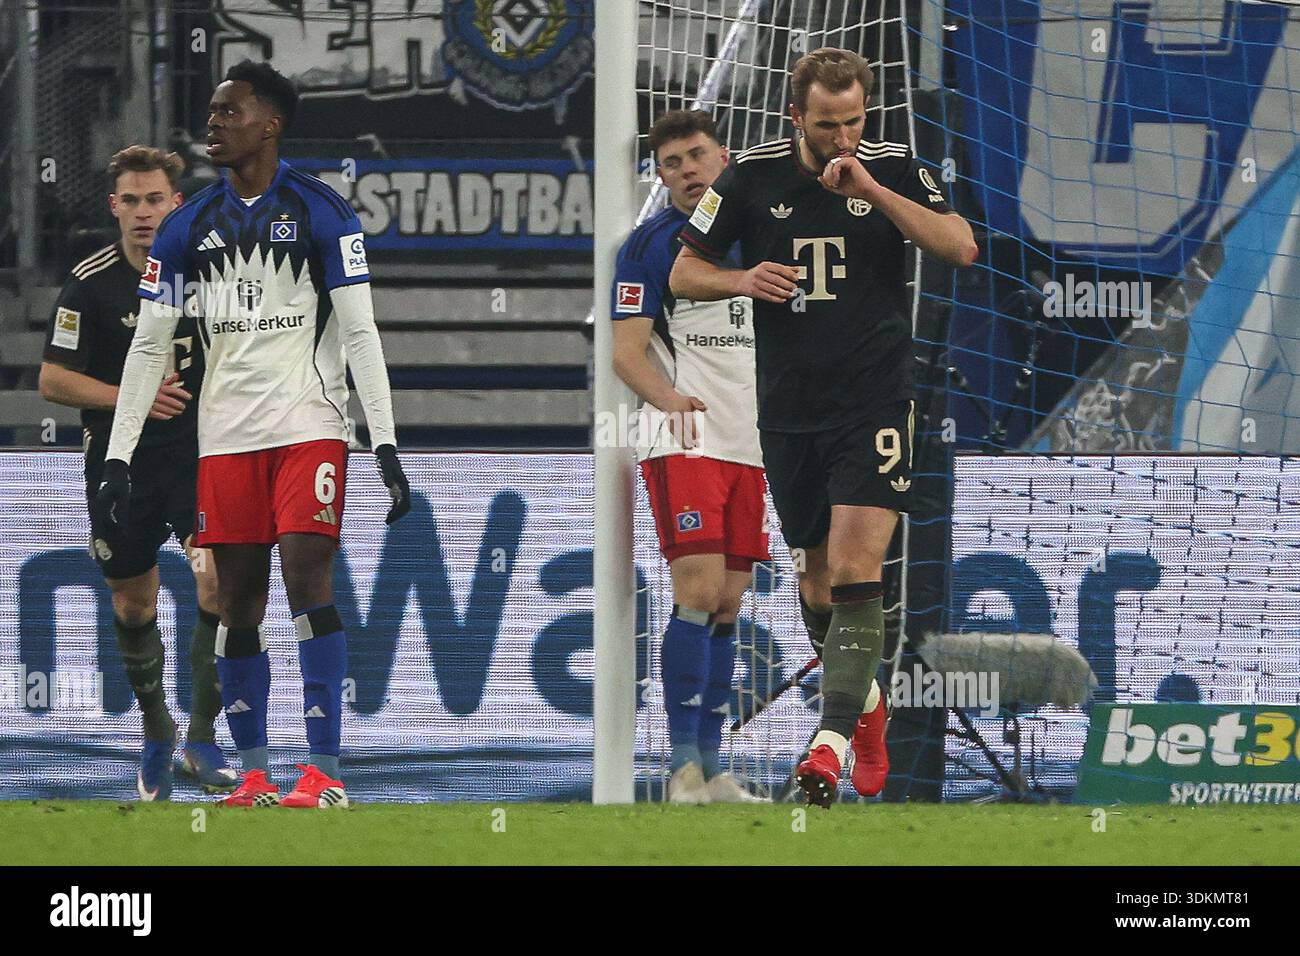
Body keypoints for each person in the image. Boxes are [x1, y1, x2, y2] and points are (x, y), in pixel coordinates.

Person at [95, 60, 410, 809]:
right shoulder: (185, 227)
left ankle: (326, 772)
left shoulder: (322, 212)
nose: (213, 123)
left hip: (310, 426)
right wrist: (116, 453)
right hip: (226, 438)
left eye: (229, 111)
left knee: (308, 580)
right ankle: (259, 776)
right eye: (211, 112)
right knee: (238, 606)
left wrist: (387, 442)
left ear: (269, 123)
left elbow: (361, 334)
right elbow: (148, 345)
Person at [671, 47, 978, 807]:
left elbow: (960, 247)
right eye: (827, 125)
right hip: (787, 408)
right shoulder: (749, 177)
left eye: (855, 122)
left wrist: (871, 187)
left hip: (875, 398)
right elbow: (682, 272)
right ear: (794, 117)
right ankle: (865, 709)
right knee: (814, 576)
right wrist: (740, 278)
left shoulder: (893, 167)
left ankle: (829, 747)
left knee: (854, 565)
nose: (843, 137)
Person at [40, 144, 233, 800]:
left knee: (216, 584)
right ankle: (157, 730)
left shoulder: (208, 272)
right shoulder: (91, 283)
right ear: (113, 206)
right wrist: (136, 395)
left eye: (156, 199)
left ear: (176, 204)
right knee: (134, 602)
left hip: (197, 455)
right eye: (132, 200)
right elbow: (52, 379)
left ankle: (202, 743)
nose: (144, 212)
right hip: (118, 462)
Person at [612, 110, 769, 804]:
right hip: (687, 442)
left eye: (695, 156)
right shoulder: (649, 246)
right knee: (698, 593)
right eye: (671, 163)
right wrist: (669, 402)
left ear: (723, 156)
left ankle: (713, 767)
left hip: (752, 444)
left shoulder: (764, 232)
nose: (685, 171)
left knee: (730, 606)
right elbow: (623, 353)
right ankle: (679, 771)